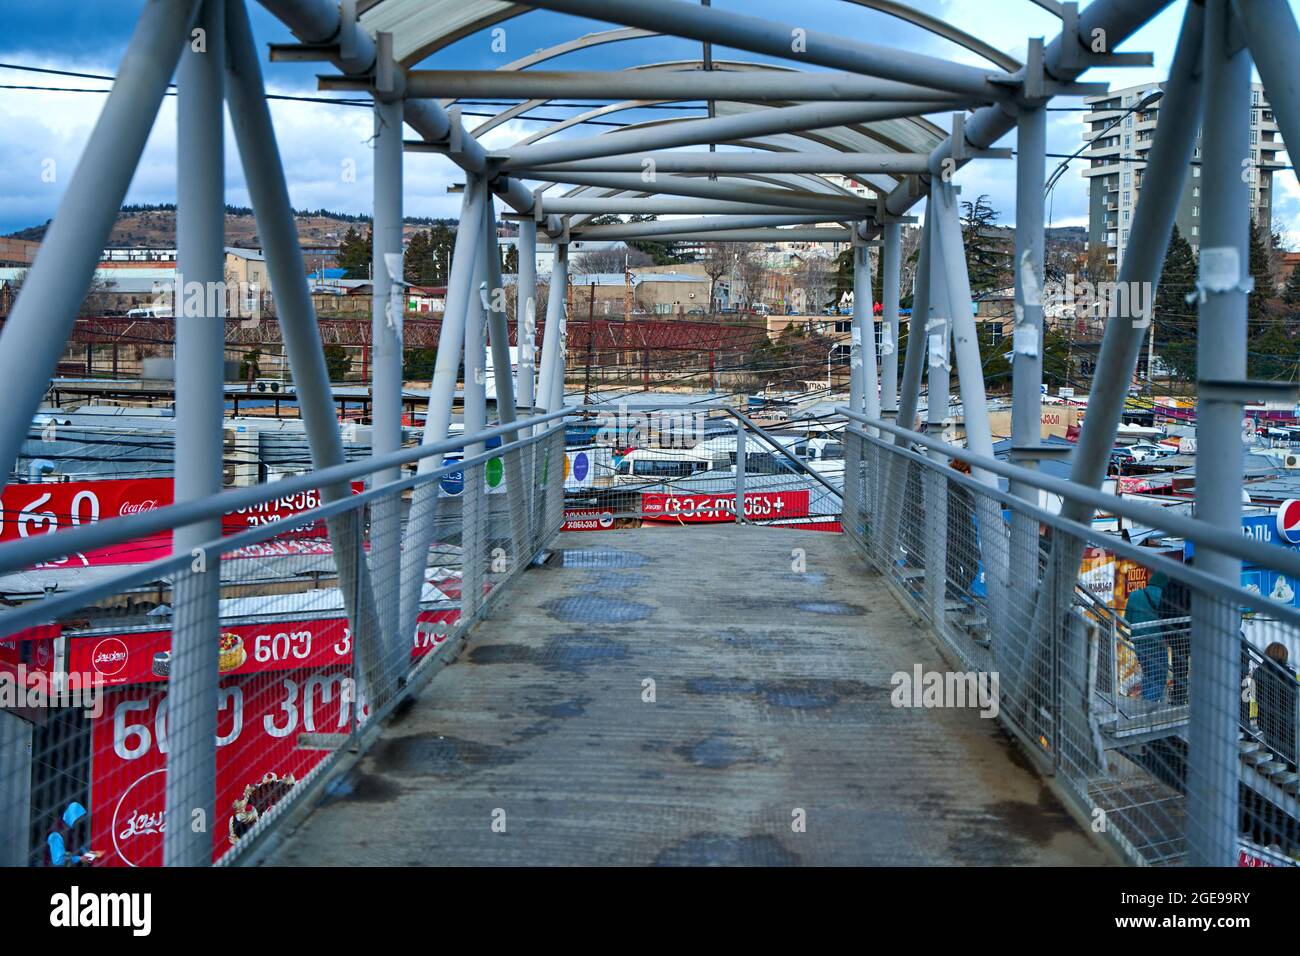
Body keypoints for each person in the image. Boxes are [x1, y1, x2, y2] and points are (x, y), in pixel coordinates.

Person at [1124, 571, 1168, 702]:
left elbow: (1127, 620)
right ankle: (1149, 706)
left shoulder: (1134, 595)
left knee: (1148, 675)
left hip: (1139, 642)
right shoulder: (1164, 597)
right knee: (1159, 678)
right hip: (1158, 643)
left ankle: (1144, 705)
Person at [1255, 643, 1298, 768]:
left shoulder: (1259, 671)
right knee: (1289, 753)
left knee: (1271, 749)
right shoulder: (1289, 673)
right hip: (1286, 720)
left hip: (1266, 718)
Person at [1156, 570, 1193, 706]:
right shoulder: (1193, 586)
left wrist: (1166, 634)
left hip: (1175, 634)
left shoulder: (1168, 587)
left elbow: (1161, 612)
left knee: (1179, 668)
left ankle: (1179, 699)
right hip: (1194, 633)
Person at [47, 801, 96, 866]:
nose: (80, 822)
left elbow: (78, 845)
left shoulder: (71, 828)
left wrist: (87, 853)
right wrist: (79, 858)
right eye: (78, 819)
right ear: (72, 818)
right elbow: (58, 861)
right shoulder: (56, 834)